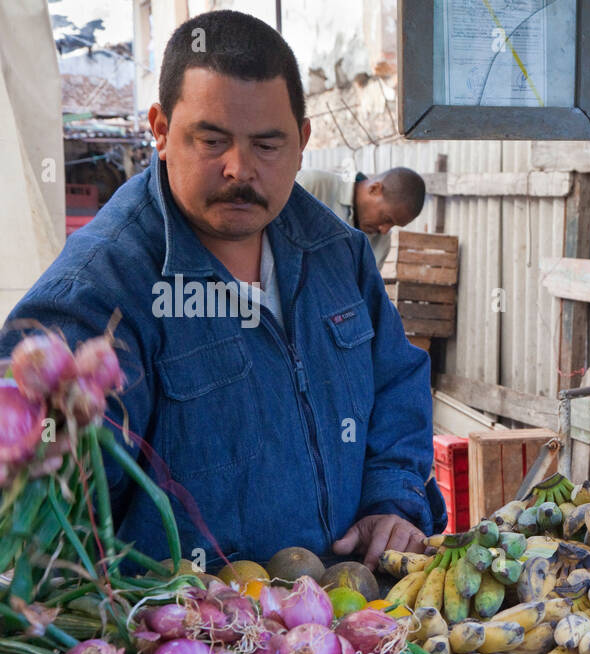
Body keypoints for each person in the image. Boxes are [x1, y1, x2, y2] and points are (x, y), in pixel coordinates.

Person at [1, 10, 446, 569]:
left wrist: (394, 498)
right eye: (212, 140)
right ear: (160, 131)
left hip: (349, 621)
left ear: (303, 141)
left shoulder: (337, 251)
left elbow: (397, 379)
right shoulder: (96, 295)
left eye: (267, 145)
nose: (240, 169)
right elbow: (47, 524)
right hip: (191, 644)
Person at [296, 166, 426, 267]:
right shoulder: (312, 186)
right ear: (374, 189)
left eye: (393, 225)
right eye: (387, 219)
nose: (384, 230)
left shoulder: (381, 243)